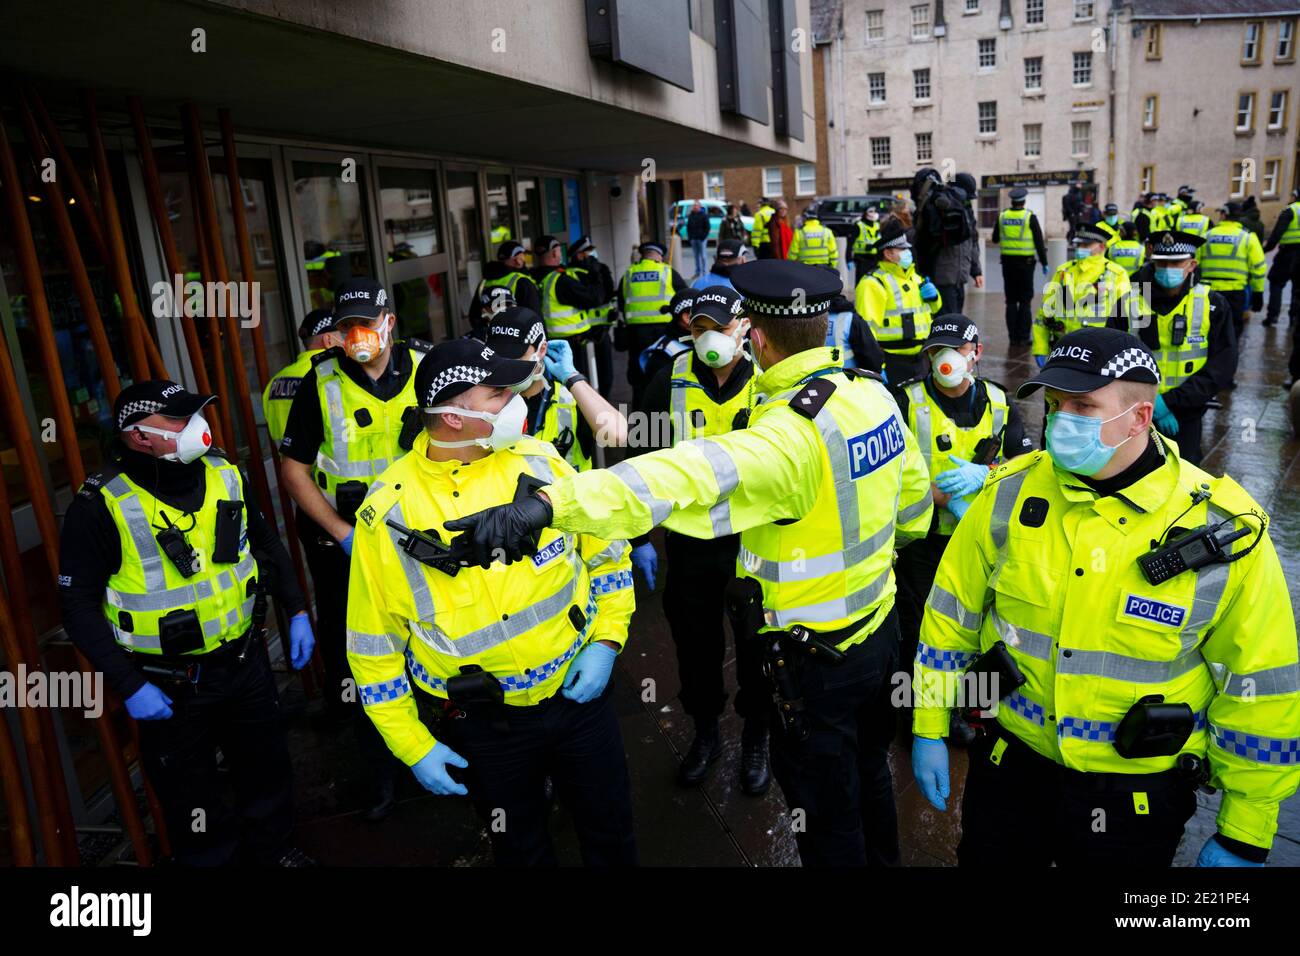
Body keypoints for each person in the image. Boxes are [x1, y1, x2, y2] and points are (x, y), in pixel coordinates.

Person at [444, 260, 936, 867]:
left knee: (828, 819)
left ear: (754, 336)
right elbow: (915, 515)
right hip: (877, 635)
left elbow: (671, 476)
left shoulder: (791, 432)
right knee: (873, 778)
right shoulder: (873, 395)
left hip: (817, 664)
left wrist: (550, 505)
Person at [910, 328, 1299, 867]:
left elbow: (1260, 690)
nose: (1058, 419)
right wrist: (929, 724)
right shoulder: (1007, 494)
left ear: (1139, 418)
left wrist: (1246, 829)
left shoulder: (1223, 531)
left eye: (1082, 405)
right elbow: (949, 621)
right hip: (1010, 768)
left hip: (1134, 800)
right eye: (1053, 403)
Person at [346, 338, 637, 866]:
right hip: (484, 725)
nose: (518, 400)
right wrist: (413, 744)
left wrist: (609, 640)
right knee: (520, 849)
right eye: (500, 393)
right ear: (453, 416)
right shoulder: (388, 514)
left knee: (611, 833)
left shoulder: (543, 463)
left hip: (579, 698)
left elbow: (609, 554)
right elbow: (372, 644)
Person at [59, 381, 316, 865]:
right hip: (170, 683)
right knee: (190, 796)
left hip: (245, 659)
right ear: (138, 436)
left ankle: (276, 852)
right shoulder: (100, 506)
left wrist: (297, 608)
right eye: (178, 420)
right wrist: (128, 685)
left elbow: (266, 544)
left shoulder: (225, 473)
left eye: (196, 414)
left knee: (265, 768)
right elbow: (76, 607)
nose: (197, 426)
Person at [279, 277, 428, 820]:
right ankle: (384, 770)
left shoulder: (429, 368)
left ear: (389, 321)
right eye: (347, 327)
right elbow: (293, 470)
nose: (358, 335)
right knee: (370, 657)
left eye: (366, 323)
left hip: (424, 541)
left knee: (436, 641)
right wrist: (339, 532)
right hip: (353, 546)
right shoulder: (320, 383)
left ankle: (439, 752)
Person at [630, 285, 769, 792]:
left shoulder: (769, 383)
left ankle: (757, 732)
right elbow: (641, 455)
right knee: (695, 645)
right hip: (691, 543)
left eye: (720, 327)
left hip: (755, 543)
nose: (709, 338)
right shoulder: (669, 378)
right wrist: (640, 535)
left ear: (743, 327)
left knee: (757, 645)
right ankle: (706, 731)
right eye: (699, 329)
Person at [889, 317, 1032, 690]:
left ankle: (967, 703)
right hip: (922, 538)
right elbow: (883, 475)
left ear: (976, 354)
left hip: (981, 537)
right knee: (919, 623)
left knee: (977, 621)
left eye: (956, 351)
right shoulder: (904, 400)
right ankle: (920, 709)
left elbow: (1026, 468)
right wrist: (935, 497)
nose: (945, 360)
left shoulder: (999, 402)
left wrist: (986, 477)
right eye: (936, 351)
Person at [1116, 230, 1238, 465]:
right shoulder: (1129, 301)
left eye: (1175, 262)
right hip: (1135, 411)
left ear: (1191, 265)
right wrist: (1144, 401)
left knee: (1185, 474)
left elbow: (1223, 364)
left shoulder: (1212, 304)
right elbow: (1112, 358)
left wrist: (1169, 402)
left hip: (1187, 412)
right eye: (1161, 262)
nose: (1167, 268)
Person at [483, 307, 627, 472]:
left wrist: (572, 377)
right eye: (498, 358)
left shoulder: (570, 398)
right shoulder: (482, 401)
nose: (506, 366)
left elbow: (616, 435)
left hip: (568, 496)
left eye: (514, 357)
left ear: (541, 350)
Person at [1032, 222, 1132, 369]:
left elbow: (1125, 320)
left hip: (1099, 354)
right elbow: (1044, 314)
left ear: (1102, 246)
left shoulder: (1117, 274)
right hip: (1064, 351)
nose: (1080, 249)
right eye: (1079, 245)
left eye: (1086, 245)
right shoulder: (1063, 272)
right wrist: (1040, 347)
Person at [856, 218, 943, 383]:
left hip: (921, 359)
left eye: (907, 249)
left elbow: (934, 309)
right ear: (888, 254)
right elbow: (866, 331)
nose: (907, 253)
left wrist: (934, 298)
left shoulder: (914, 277)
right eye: (901, 249)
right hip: (892, 362)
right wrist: (876, 366)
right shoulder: (872, 284)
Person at [617, 240, 688, 406]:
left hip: (635, 334)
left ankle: (642, 420)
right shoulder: (667, 271)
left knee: (639, 376)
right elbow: (685, 297)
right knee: (663, 372)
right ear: (659, 256)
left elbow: (621, 303)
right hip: (663, 333)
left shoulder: (628, 274)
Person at [262, 308, 341, 447]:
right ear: (328, 340)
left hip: (290, 465)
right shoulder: (332, 375)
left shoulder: (275, 382)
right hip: (327, 467)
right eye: (343, 335)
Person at [533, 235, 606, 379]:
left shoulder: (533, 277)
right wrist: (596, 274)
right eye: (560, 251)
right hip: (571, 343)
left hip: (548, 341)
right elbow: (594, 298)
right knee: (576, 382)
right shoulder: (560, 280)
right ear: (554, 253)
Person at [1199, 202, 1266, 342]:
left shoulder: (1206, 236)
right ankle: (1229, 359)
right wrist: (1258, 292)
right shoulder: (1248, 238)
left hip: (1208, 292)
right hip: (1235, 293)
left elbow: (1194, 263)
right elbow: (1259, 267)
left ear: (1224, 214)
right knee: (1232, 331)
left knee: (1208, 330)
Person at [992, 187, 1049, 347]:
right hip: (1026, 265)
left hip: (1007, 264)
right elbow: (1039, 242)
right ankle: (1023, 337)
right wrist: (1044, 263)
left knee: (1010, 300)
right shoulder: (1029, 217)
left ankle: (1012, 337)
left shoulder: (1002, 216)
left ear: (1012, 201)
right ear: (1024, 201)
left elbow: (995, 239)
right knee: (1025, 301)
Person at [567, 235, 617, 398]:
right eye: (587, 252)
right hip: (583, 331)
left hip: (602, 329)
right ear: (579, 255)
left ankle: (606, 400)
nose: (591, 255)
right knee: (584, 372)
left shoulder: (600, 268)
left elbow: (609, 293)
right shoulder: (571, 274)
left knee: (606, 372)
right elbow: (593, 298)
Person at [930, 173, 983, 317]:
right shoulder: (940, 209)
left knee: (956, 318)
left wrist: (976, 271)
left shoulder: (966, 212)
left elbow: (972, 242)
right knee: (949, 321)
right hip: (943, 277)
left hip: (959, 278)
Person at [472, 241, 541, 339]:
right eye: (522, 256)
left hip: (490, 340)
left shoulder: (484, 282)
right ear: (517, 260)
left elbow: (474, 316)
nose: (523, 259)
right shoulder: (522, 281)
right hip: (518, 340)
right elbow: (534, 316)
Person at [1262, 188, 1300, 328]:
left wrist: (1265, 250)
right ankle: (1294, 319)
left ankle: (1272, 316)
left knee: (1276, 282)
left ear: (1295, 196)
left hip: (1288, 253)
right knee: (1297, 288)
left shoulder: (1290, 210)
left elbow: (1277, 234)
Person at [787, 206, 839, 271]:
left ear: (806, 218)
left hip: (805, 268)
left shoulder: (799, 233)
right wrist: (833, 265)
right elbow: (833, 252)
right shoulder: (827, 232)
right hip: (824, 268)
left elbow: (793, 253)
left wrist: (790, 266)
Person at [851, 205, 883, 279]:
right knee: (862, 280)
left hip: (875, 258)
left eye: (875, 211)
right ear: (865, 213)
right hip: (862, 258)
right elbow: (850, 243)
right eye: (871, 211)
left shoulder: (877, 225)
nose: (873, 213)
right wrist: (848, 258)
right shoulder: (859, 225)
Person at [686, 200, 711, 279]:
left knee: (703, 256)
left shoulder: (704, 215)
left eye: (696, 206)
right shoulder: (691, 215)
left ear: (699, 207)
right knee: (696, 256)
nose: (694, 207)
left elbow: (707, 227)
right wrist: (690, 237)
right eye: (693, 206)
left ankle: (704, 273)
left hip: (701, 239)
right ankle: (697, 272)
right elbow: (688, 227)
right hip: (693, 239)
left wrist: (703, 237)